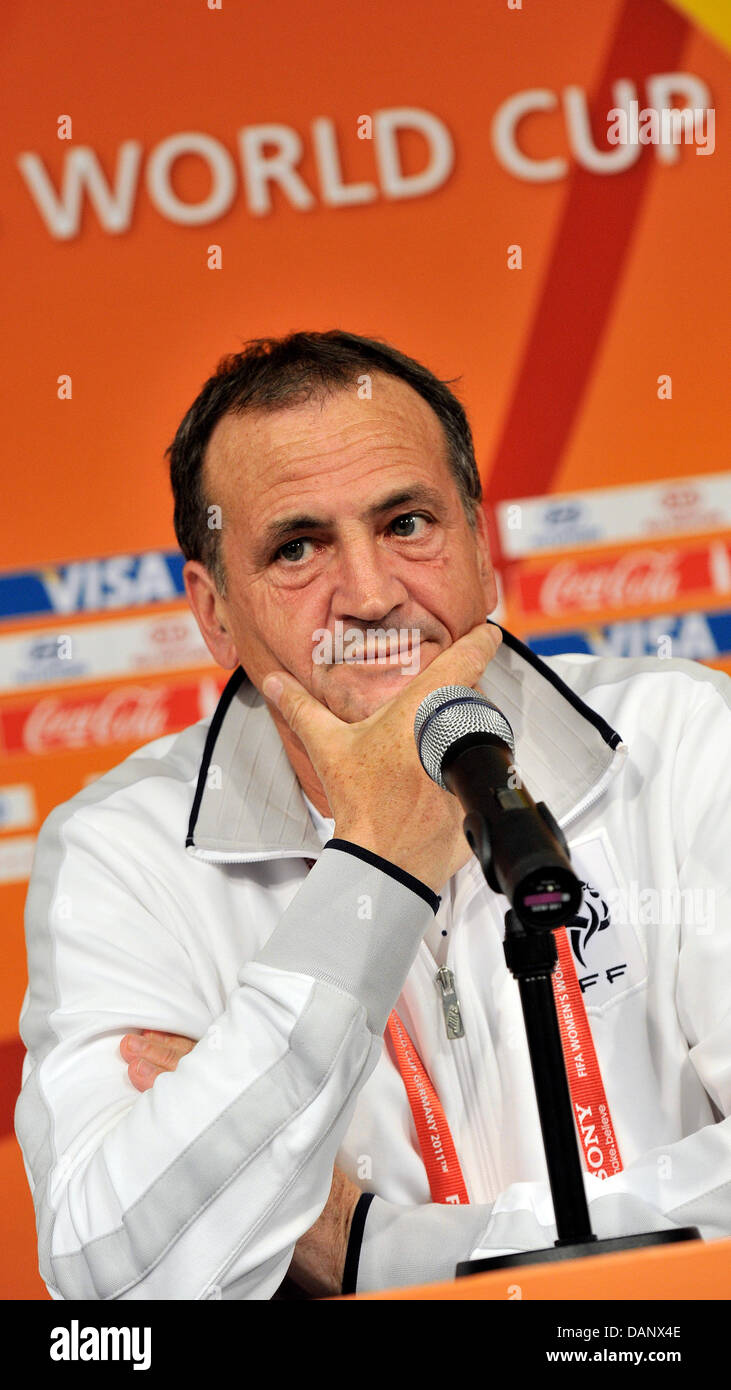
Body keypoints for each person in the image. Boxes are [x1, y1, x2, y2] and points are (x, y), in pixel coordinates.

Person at [15, 331, 731, 1301]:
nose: (371, 593)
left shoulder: (682, 739)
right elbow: (116, 1280)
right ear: (214, 609)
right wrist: (374, 866)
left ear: (478, 544)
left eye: (405, 522)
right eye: (297, 547)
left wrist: (369, 1251)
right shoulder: (125, 854)